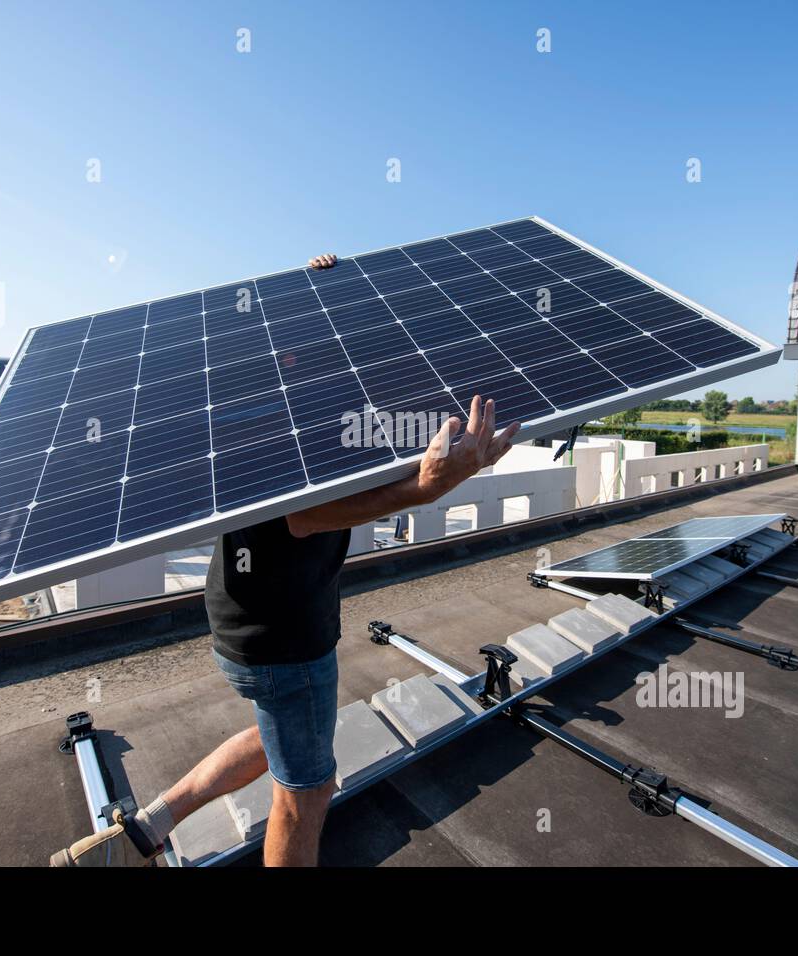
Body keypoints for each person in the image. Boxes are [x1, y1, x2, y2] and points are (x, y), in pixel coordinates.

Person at [52, 252, 520, 867]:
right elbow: (298, 518)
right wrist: (423, 491)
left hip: (247, 618)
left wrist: (323, 281)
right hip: (282, 639)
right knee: (306, 788)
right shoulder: (263, 405)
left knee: (282, 736)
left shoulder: (285, 390)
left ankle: (147, 828)